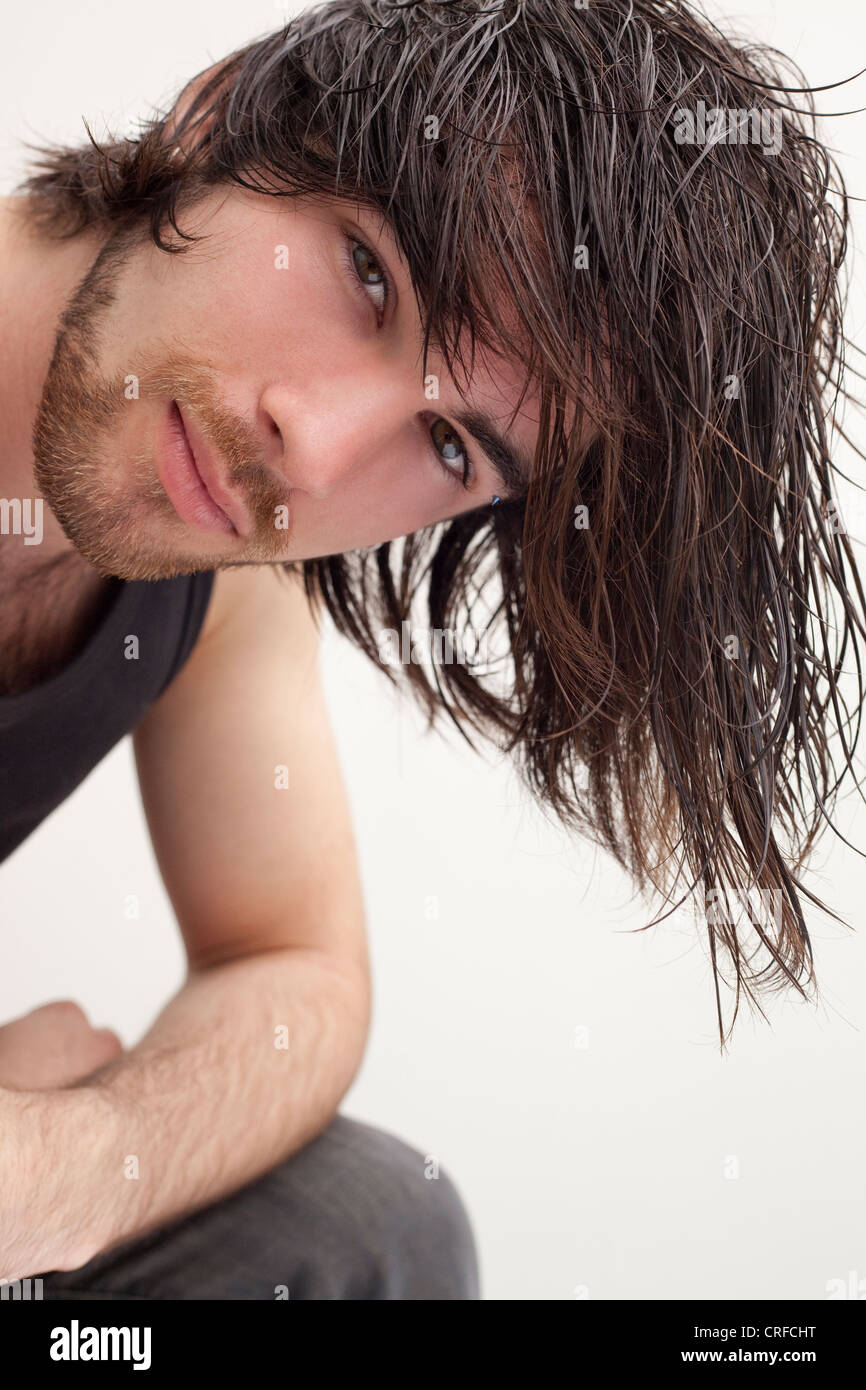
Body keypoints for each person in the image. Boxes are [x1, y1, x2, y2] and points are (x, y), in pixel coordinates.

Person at [0, 0, 862, 1299]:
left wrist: (81, 1157)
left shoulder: (217, 573)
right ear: (217, 114)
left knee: (367, 1221)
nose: (318, 447)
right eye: (367, 278)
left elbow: (293, 966)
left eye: (453, 446)